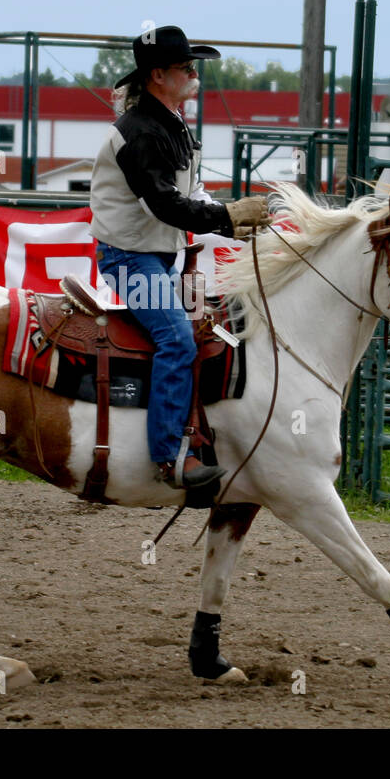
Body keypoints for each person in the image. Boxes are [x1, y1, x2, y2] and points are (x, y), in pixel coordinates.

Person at [89, 25, 269, 493]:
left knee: (202, 332)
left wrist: (228, 216)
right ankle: (170, 458)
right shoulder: (141, 132)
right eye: (186, 67)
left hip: (154, 256)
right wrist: (227, 217)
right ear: (157, 76)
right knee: (177, 340)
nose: (194, 74)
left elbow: (188, 193)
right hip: (129, 260)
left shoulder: (167, 122)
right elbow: (163, 206)